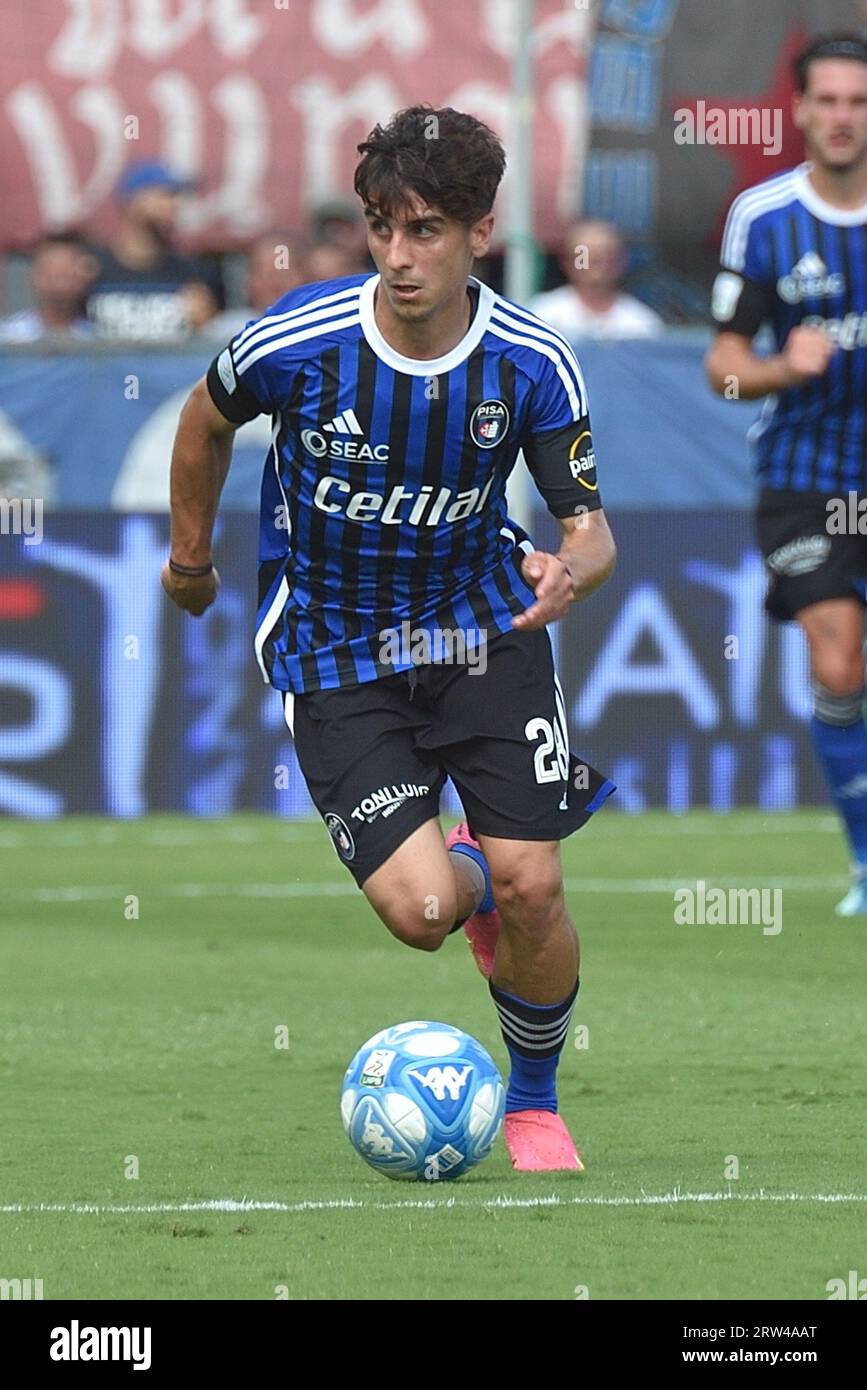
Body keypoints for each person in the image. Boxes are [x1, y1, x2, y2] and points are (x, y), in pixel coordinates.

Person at [162, 105, 617, 1171]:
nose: (400, 256)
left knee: (537, 885)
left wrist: (571, 572)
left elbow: (590, 532)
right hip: (337, 649)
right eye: (383, 228)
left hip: (482, 630)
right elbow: (205, 418)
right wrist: (191, 560)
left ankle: (535, 1102)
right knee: (422, 914)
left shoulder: (532, 361)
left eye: (425, 231)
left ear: (479, 232)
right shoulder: (297, 339)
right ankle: (469, 868)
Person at [705, 32, 867, 915]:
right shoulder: (764, 217)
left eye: (858, 101)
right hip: (804, 477)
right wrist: (780, 367)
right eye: (829, 101)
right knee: (838, 661)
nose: (843, 118)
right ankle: (864, 862)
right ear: (801, 109)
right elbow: (722, 368)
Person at [88, 161, 222, 340]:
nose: (175, 205)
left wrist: (205, 325)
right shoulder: (93, 270)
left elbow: (211, 344)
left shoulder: (194, 273)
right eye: (166, 195)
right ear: (134, 200)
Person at [531, 218, 663, 341]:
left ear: (621, 260)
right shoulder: (543, 315)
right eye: (585, 257)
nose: (597, 267)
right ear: (567, 262)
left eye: (606, 257)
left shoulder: (642, 323)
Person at [205, 231, 310, 341]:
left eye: (284, 275)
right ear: (247, 281)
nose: (274, 284)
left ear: (306, 276)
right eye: (265, 275)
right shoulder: (221, 332)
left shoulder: (321, 329)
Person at [0, 231, 97, 342]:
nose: (61, 274)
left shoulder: (99, 341)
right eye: (52, 267)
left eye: (69, 267)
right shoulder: (8, 338)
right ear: (34, 275)